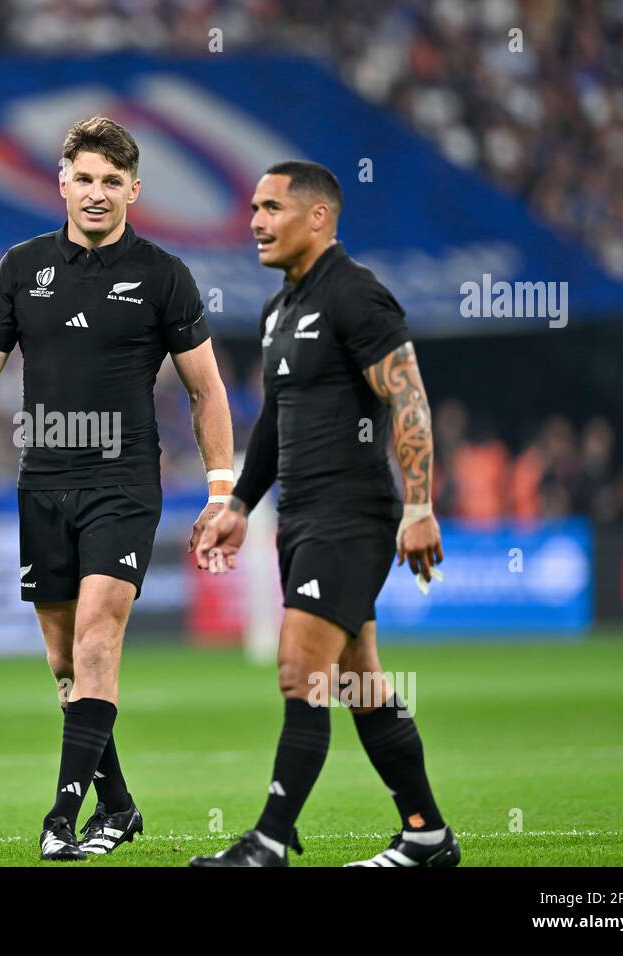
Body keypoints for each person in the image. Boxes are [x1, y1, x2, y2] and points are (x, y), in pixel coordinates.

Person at [0, 116, 234, 860]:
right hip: (45, 480)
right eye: (84, 179)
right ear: (61, 182)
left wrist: (221, 489)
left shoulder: (164, 276)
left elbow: (207, 390)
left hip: (124, 481)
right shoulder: (22, 267)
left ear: (134, 189)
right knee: (68, 667)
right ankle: (118, 807)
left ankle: (60, 820)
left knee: (99, 632)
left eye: (111, 182)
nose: (97, 194)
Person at [191, 161, 458, 868]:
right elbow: (275, 424)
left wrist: (420, 505)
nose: (254, 221)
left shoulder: (356, 295)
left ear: (318, 217)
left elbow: (409, 398)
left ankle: (270, 839)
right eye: (251, 207)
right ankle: (427, 835)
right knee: (360, 680)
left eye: (271, 207)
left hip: (353, 517)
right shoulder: (277, 311)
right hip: (301, 520)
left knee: (297, 670)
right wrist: (240, 504)